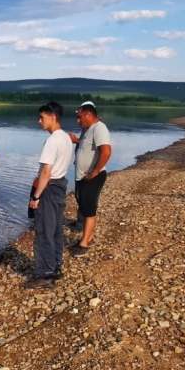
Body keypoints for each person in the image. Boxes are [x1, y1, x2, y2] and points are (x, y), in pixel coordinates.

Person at [27, 102, 72, 289]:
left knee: (44, 232)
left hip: (49, 188)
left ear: (53, 117)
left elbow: (46, 172)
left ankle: (45, 274)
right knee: (56, 231)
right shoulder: (66, 138)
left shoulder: (52, 141)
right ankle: (56, 267)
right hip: (60, 185)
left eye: (42, 117)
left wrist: (36, 197)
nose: (39, 121)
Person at [68, 101, 112, 257]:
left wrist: (95, 171)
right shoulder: (88, 129)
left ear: (88, 115)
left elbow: (106, 151)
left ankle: (84, 243)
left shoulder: (99, 128)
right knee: (85, 207)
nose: (78, 120)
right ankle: (88, 236)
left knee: (89, 211)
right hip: (83, 177)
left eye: (79, 117)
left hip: (92, 177)